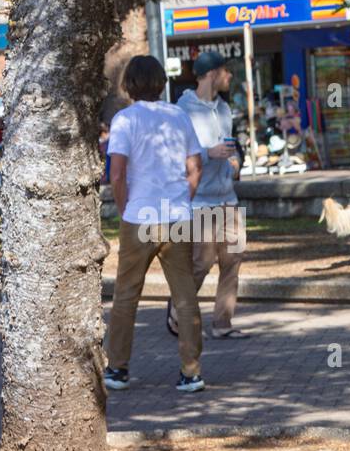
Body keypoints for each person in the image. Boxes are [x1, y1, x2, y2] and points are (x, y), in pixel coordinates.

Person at [103, 55, 206, 393]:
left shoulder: (124, 119)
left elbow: (117, 173)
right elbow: (196, 168)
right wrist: (183, 200)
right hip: (176, 214)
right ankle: (191, 372)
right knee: (185, 295)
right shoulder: (179, 115)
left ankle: (117, 369)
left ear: (128, 84)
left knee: (126, 295)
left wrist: (124, 210)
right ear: (162, 82)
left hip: (139, 214)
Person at [171, 51, 248, 339]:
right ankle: (179, 314)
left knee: (234, 259)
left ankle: (222, 324)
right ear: (212, 73)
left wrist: (234, 161)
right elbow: (177, 154)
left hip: (228, 196)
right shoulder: (183, 109)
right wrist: (207, 153)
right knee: (201, 263)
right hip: (201, 199)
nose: (229, 76)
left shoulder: (224, 109)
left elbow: (230, 145)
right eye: (226, 71)